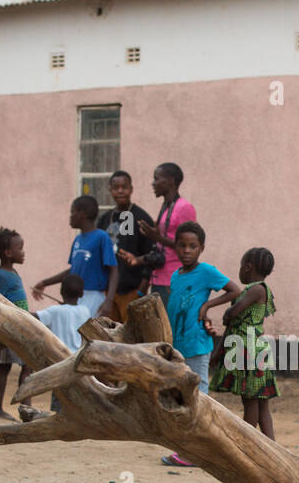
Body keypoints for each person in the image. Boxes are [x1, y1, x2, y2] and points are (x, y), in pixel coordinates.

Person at [162, 221, 242, 467]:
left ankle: (201, 448)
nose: (187, 250)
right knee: (181, 394)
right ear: (175, 247)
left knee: (198, 393)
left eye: (192, 246)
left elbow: (234, 291)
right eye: (182, 246)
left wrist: (207, 306)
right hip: (179, 344)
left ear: (201, 248)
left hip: (197, 343)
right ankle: (190, 445)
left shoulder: (206, 271)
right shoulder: (176, 275)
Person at [204, 247, 279, 439]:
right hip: (250, 347)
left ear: (247, 267)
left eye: (240, 266)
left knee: (251, 401)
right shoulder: (257, 290)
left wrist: (228, 313)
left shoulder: (257, 288)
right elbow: (231, 323)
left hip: (249, 349)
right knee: (260, 402)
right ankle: (272, 446)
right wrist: (219, 351)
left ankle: (247, 442)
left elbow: (234, 312)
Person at [33, 196, 118, 319]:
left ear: (82, 214)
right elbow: (73, 270)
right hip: (77, 298)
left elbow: (114, 270)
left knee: (86, 333)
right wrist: (45, 283)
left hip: (94, 296)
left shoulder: (102, 237)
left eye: (72, 212)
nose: (70, 216)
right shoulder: (78, 240)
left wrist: (109, 301)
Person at [97, 170, 162, 322]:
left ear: (131, 189)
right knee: (109, 339)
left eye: (124, 187)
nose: (120, 191)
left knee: (131, 341)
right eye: (116, 187)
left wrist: (141, 291)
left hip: (132, 292)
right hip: (108, 294)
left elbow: (152, 255)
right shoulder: (104, 219)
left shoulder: (141, 218)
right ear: (110, 190)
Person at [0, 226, 32, 420]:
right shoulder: (2, 276)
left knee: (26, 366)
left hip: (19, 328)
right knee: (5, 368)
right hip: (7, 329)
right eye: (20, 248)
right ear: (8, 252)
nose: (23, 252)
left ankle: (26, 408)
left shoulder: (12, 273)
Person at [137, 162, 197, 307]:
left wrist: (156, 237)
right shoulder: (166, 206)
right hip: (158, 276)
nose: (153, 183)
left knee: (169, 327)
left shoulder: (184, 207)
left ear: (170, 181)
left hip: (172, 278)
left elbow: (188, 244)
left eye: (157, 179)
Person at [35, 273, 89, 354]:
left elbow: (34, 317)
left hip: (59, 357)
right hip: (79, 357)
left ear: (61, 291)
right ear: (81, 294)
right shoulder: (86, 310)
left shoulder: (55, 311)